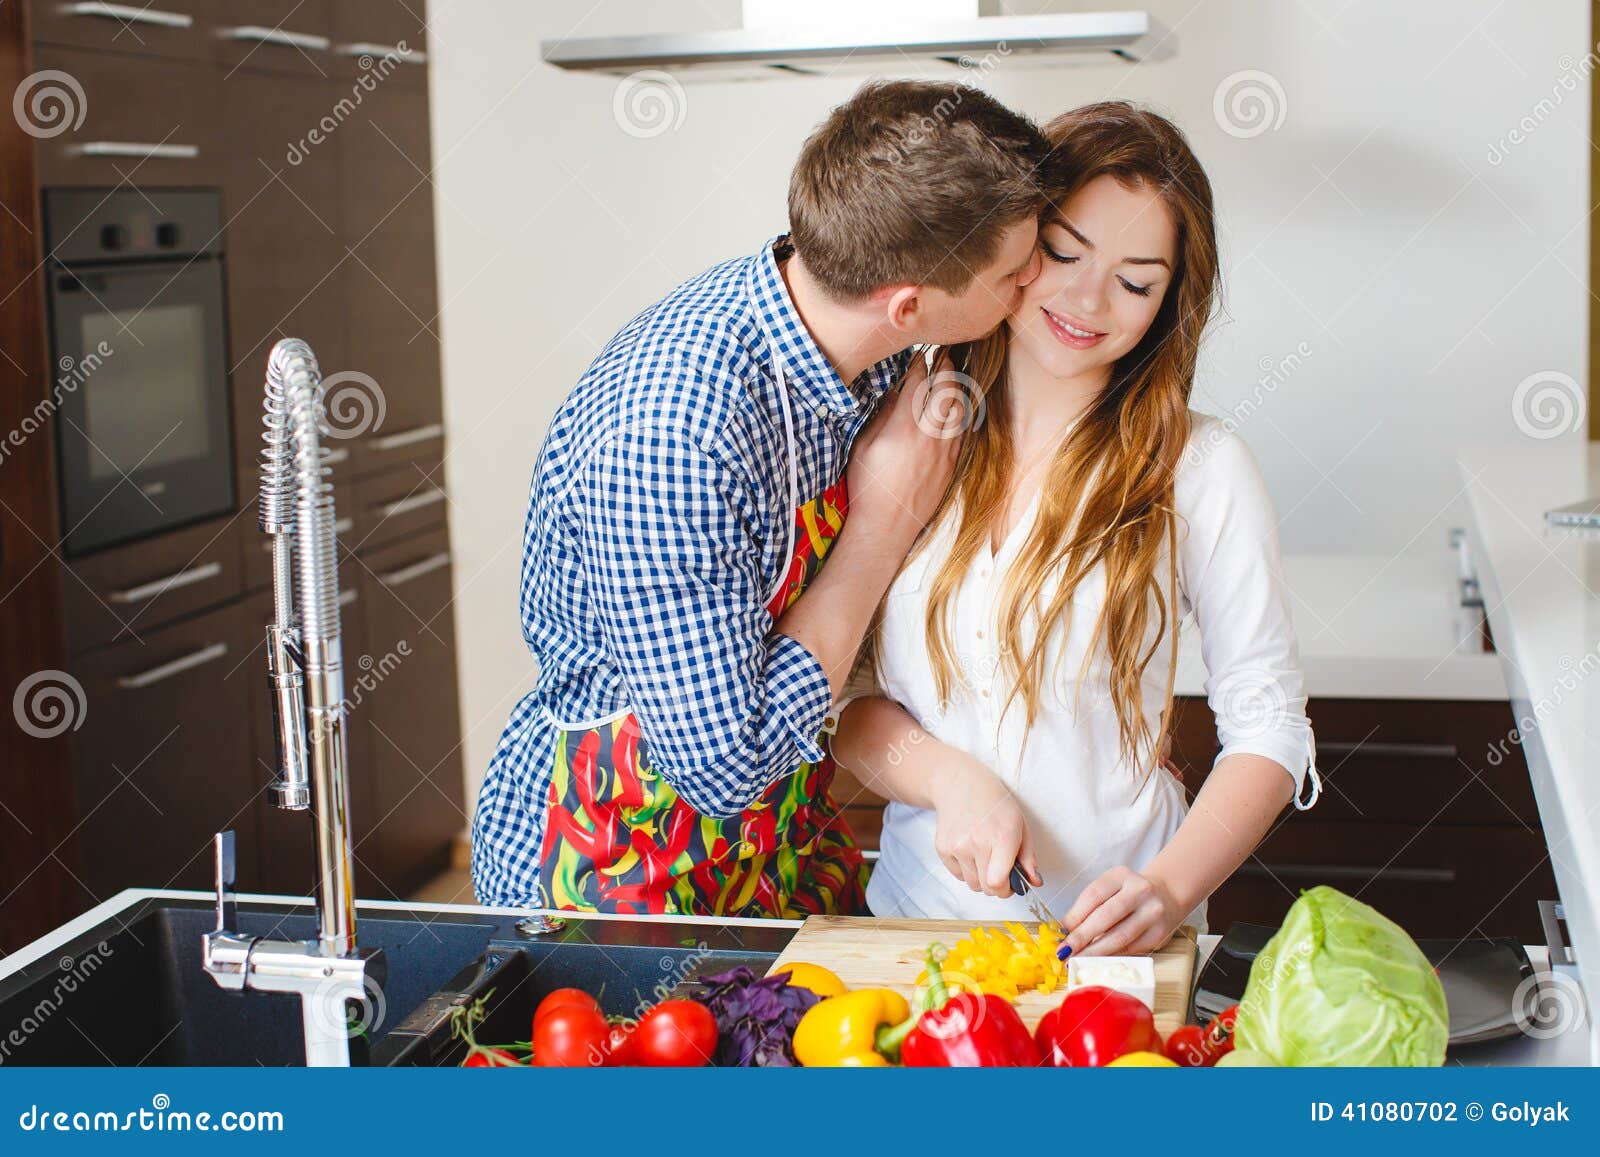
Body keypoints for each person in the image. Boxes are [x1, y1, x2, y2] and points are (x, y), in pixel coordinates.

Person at [472, 79, 1055, 916]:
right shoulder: (673, 434)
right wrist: (883, 522)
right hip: (617, 866)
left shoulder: (869, 336)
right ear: (911, 303)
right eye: (1014, 267)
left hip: (780, 844)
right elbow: (724, 761)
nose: (1035, 276)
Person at [830, 101, 1322, 954]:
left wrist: (1167, 891)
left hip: (1115, 948)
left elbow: (1270, 728)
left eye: (1136, 281)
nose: (1088, 300)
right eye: (1063, 253)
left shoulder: (1200, 467)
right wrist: (950, 780)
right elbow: (843, 700)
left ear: (1170, 301)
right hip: (913, 927)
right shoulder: (907, 426)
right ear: (1011, 240)